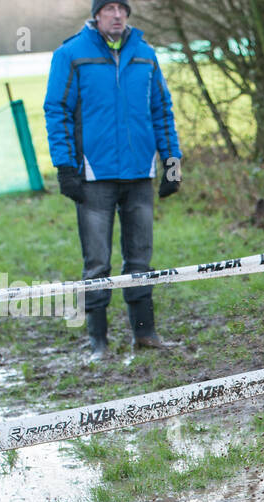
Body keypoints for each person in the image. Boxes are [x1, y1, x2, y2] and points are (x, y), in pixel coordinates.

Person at [44, 1, 182, 360]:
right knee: (97, 264)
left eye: (123, 8)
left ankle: (145, 335)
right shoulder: (70, 54)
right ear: (96, 14)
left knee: (140, 259)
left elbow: (162, 109)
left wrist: (171, 161)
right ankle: (98, 343)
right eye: (109, 8)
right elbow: (55, 110)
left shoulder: (146, 54)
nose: (117, 14)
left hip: (140, 174)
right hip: (93, 176)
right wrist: (65, 167)